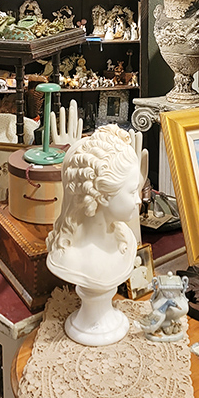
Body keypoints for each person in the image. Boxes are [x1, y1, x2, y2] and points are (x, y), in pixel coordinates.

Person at [46, 125, 141, 292]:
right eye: (133, 192)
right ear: (103, 195)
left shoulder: (126, 239)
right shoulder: (70, 257)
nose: (139, 199)